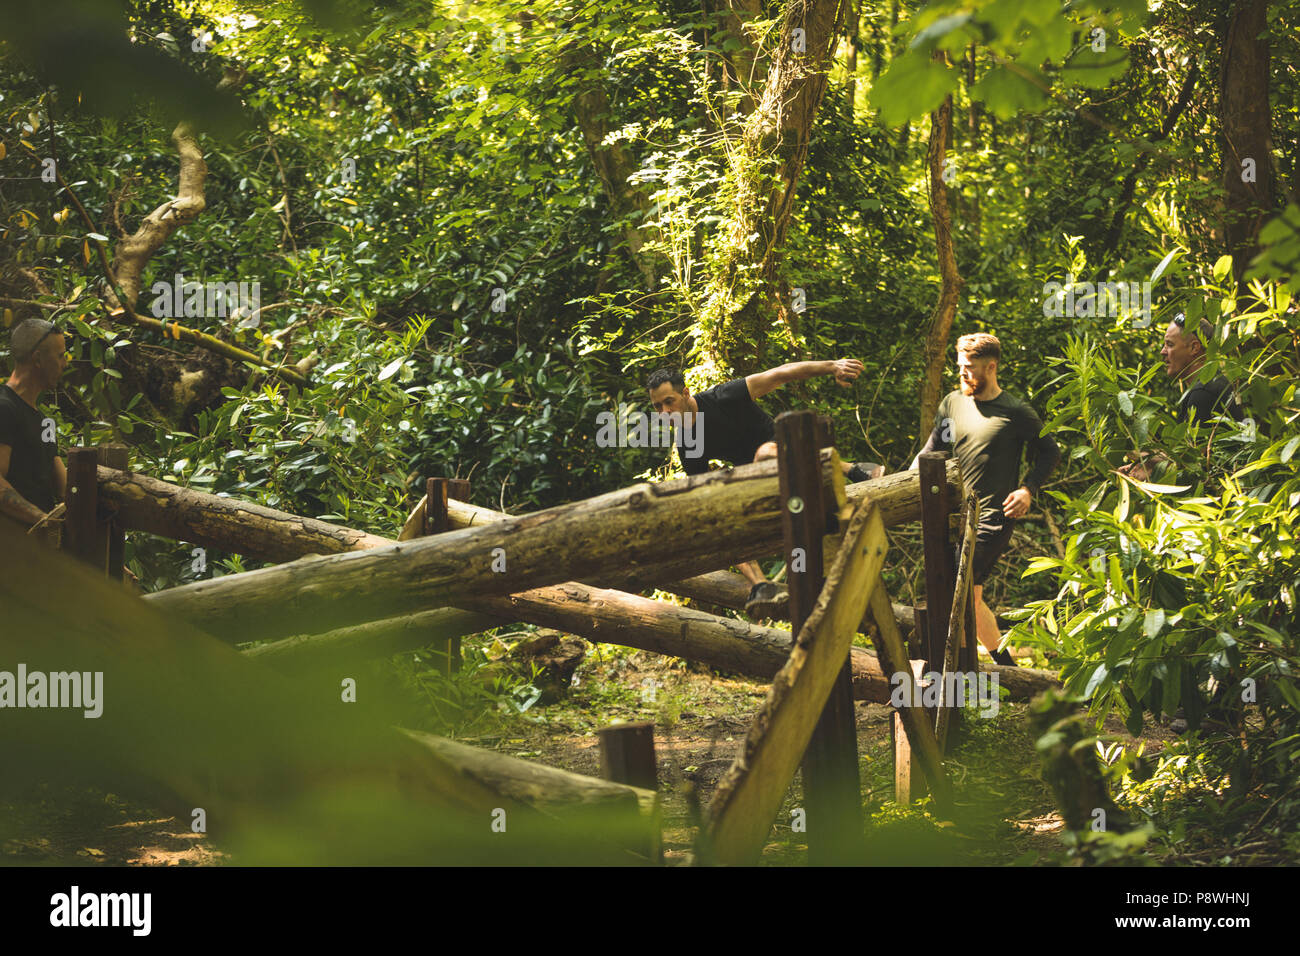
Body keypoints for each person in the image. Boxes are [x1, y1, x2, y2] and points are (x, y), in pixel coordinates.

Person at [646, 360, 883, 615]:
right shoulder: (686, 441)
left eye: (668, 402)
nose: (664, 412)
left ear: (685, 393)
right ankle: (761, 585)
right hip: (756, 479)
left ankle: (854, 469)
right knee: (719, 516)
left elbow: (779, 374)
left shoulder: (722, 396)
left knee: (764, 454)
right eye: (657, 406)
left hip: (782, 449)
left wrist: (832, 366)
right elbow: (702, 495)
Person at [910, 333, 1060, 667]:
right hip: (954, 516)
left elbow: (1050, 452)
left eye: (969, 368)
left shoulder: (1015, 412)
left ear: (991, 367)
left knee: (961, 595)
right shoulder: (953, 403)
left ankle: (963, 675)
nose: (962, 374)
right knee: (968, 597)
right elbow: (934, 450)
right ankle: (1005, 668)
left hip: (993, 517)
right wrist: (902, 485)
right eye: (960, 367)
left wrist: (1027, 490)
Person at [1120, 313, 1244, 481]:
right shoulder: (1215, 381)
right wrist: (1146, 465)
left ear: (1194, 348)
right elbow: (1188, 456)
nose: (1163, 352)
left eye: (1169, 345)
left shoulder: (1203, 392)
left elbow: (1194, 467)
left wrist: (1146, 459)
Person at [1, 319, 69, 538]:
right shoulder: (4, 407)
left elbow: (65, 489)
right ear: (38, 359)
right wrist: (43, 520)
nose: (65, 364)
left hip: (43, 549)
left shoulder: (45, 422)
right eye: (60, 356)